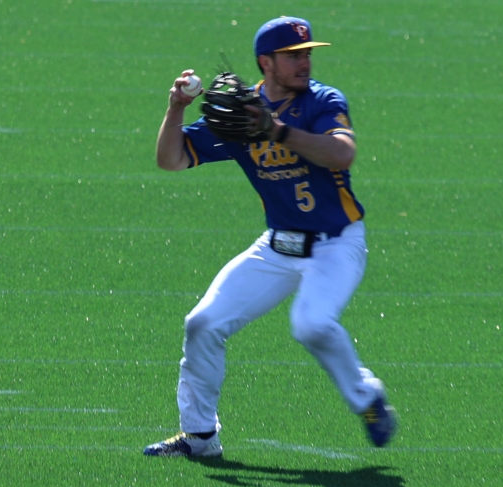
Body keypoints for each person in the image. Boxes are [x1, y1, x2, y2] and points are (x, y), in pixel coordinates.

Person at [143, 16, 396, 457]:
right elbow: (171, 160)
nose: (305, 62)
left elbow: (343, 152)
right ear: (266, 63)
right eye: (293, 56)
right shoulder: (241, 114)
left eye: (308, 53)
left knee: (311, 323)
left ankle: (366, 398)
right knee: (202, 324)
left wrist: (275, 130)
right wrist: (176, 108)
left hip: (337, 243)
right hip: (278, 245)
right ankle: (199, 437)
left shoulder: (322, 101)